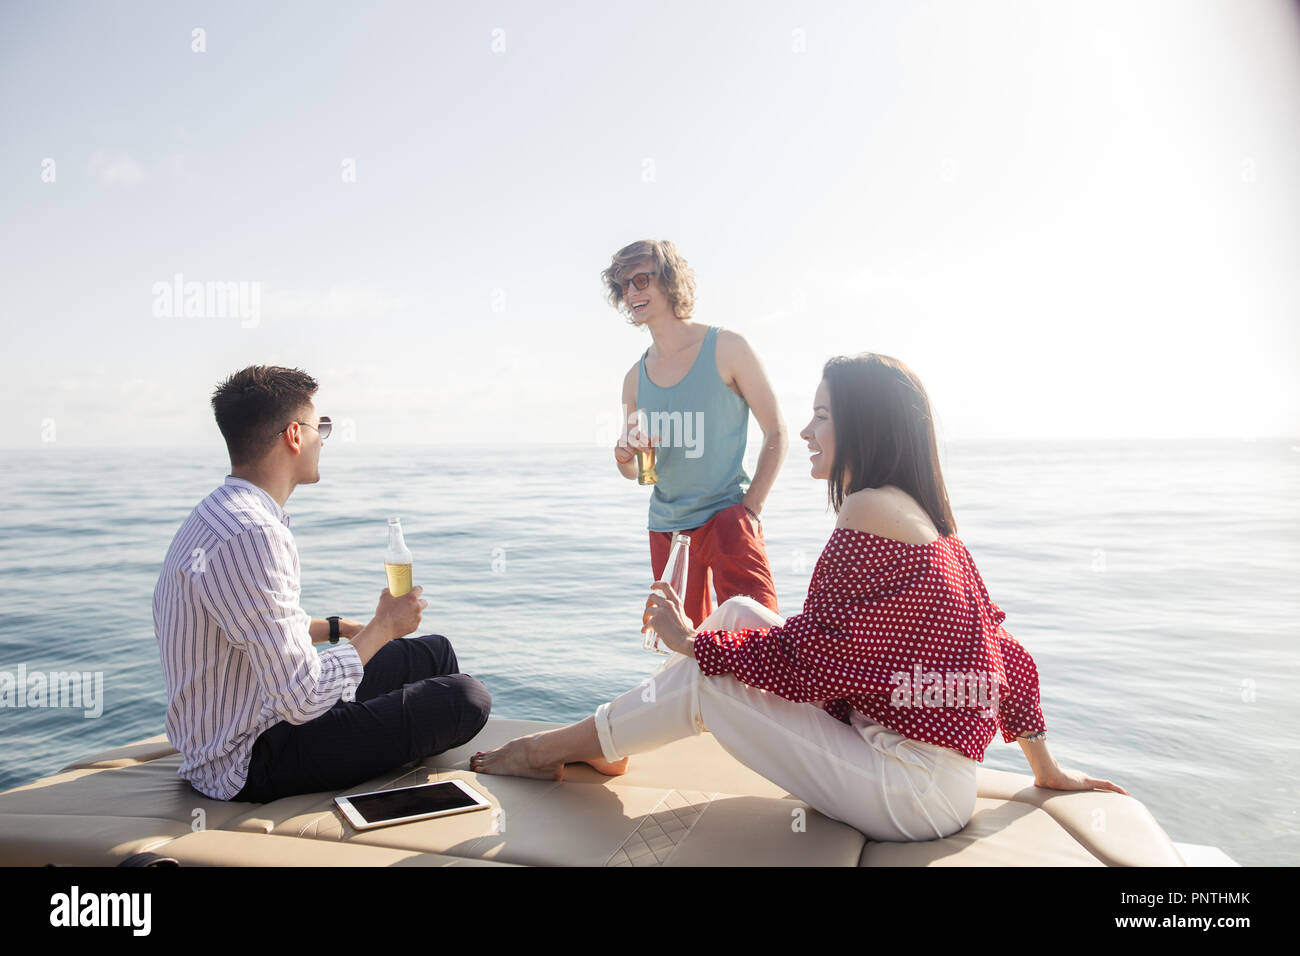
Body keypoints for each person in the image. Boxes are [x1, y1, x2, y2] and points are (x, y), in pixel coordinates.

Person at [471, 353, 1127, 843]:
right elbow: (1004, 652)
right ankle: (608, 743)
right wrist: (1045, 767)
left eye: (821, 416)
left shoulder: (868, 510)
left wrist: (686, 642)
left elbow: (807, 662)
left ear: (862, 426)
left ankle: (548, 750)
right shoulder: (929, 523)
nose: (806, 432)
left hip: (911, 794)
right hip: (912, 766)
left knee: (706, 666)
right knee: (733, 614)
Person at [152, 365, 491, 803]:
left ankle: (375, 729)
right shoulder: (254, 534)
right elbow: (302, 697)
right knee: (465, 699)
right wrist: (381, 628)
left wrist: (336, 628)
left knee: (435, 652)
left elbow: (248, 628)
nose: (322, 439)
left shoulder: (217, 514)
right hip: (247, 757)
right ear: (295, 435)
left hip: (248, 714)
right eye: (321, 426)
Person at [603, 239, 787, 626]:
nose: (632, 293)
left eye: (641, 280)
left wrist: (749, 511)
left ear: (669, 281)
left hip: (727, 519)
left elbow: (776, 431)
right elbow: (637, 472)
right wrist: (623, 457)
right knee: (682, 656)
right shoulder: (634, 378)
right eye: (624, 286)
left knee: (759, 638)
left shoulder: (729, 347)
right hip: (666, 530)